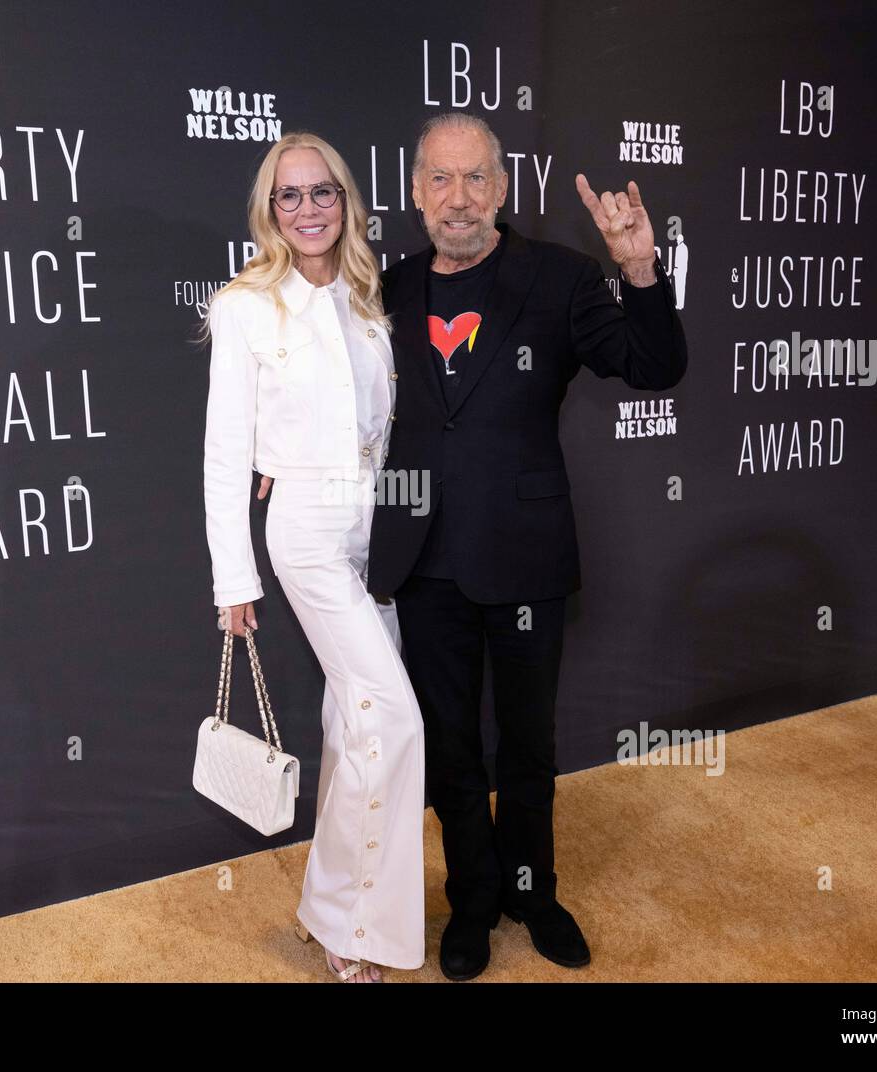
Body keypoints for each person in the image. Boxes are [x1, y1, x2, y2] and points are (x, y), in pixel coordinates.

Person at [366, 112, 688, 980]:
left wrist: (639, 268)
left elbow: (655, 367)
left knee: (527, 745)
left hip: (524, 559)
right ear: (415, 190)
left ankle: (531, 891)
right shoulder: (386, 291)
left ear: (504, 189)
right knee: (449, 748)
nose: (458, 198)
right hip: (421, 559)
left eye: (476, 179)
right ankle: (471, 901)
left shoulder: (562, 278)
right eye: (440, 179)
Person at [201, 131, 425, 982]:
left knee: (352, 722)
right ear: (270, 210)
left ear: (345, 199)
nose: (306, 211)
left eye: (321, 192)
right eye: (288, 197)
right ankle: (352, 926)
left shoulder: (372, 297)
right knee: (392, 720)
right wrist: (234, 576)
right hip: (303, 529)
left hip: (379, 528)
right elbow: (227, 452)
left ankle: (335, 902)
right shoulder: (246, 306)